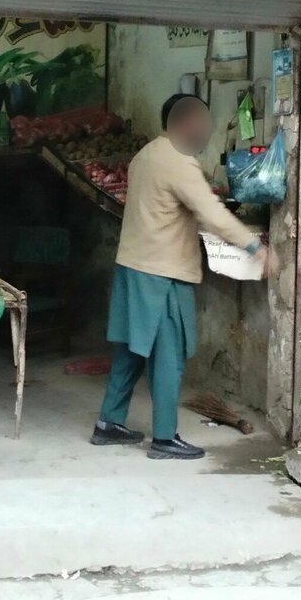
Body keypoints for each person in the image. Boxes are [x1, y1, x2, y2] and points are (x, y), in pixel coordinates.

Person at [91, 93, 270, 460]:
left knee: (131, 350)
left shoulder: (145, 155)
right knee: (169, 356)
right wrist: (255, 248)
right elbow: (213, 215)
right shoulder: (179, 163)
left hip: (132, 267)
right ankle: (164, 437)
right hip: (163, 274)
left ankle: (108, 423)